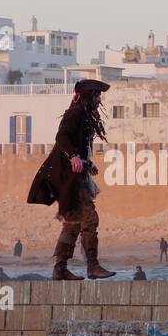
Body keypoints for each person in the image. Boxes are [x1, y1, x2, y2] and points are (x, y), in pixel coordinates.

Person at [26, 78, 116, 280]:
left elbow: (79, 145)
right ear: (89, 96)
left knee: (73, 223)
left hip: (74, 177)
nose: (99, 99)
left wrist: (87, 163)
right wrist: (74, 156)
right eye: (97, 95)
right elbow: (62, 137)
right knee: (89, 219)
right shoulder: (75, 114)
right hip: (68, 179)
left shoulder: (84, 116)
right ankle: (93, 266)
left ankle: (60, 268)